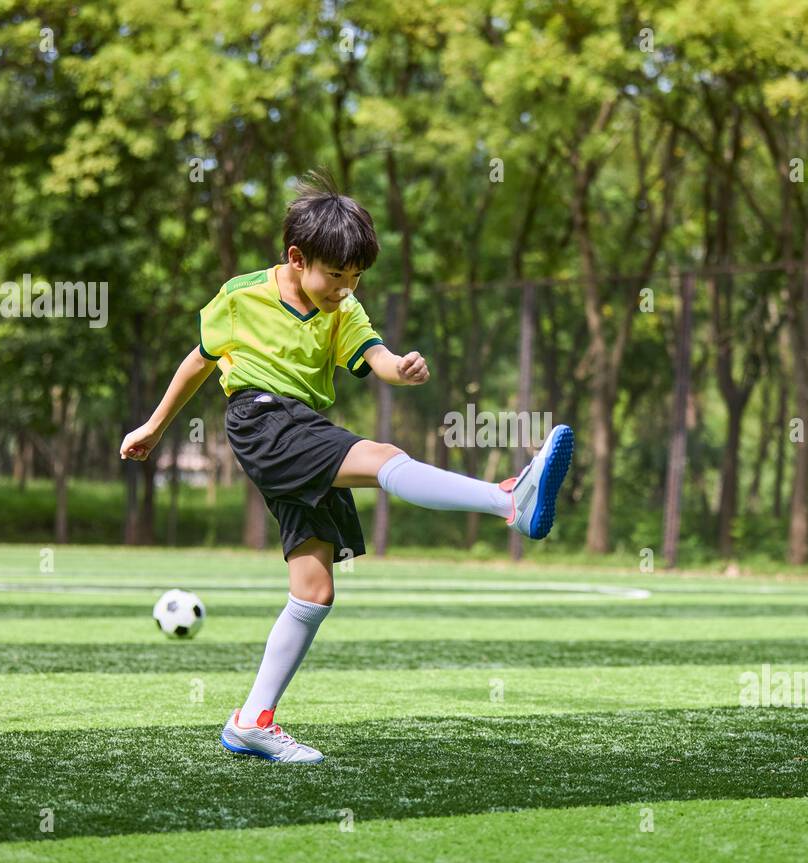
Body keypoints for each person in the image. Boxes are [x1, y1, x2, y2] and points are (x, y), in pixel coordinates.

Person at [119, 171, 574, 764]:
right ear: (296, 257)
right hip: (258, 419)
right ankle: (508, 500)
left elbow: (373, 355)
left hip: (298, 424)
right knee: (383, 457)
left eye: (356, 277)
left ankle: (251, 722)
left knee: (315, 590)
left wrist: (400, 368)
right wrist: (155, 425)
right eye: (336, 275)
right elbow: (199, 363)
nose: (345, 288)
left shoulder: (342, 305)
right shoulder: (241, 296)